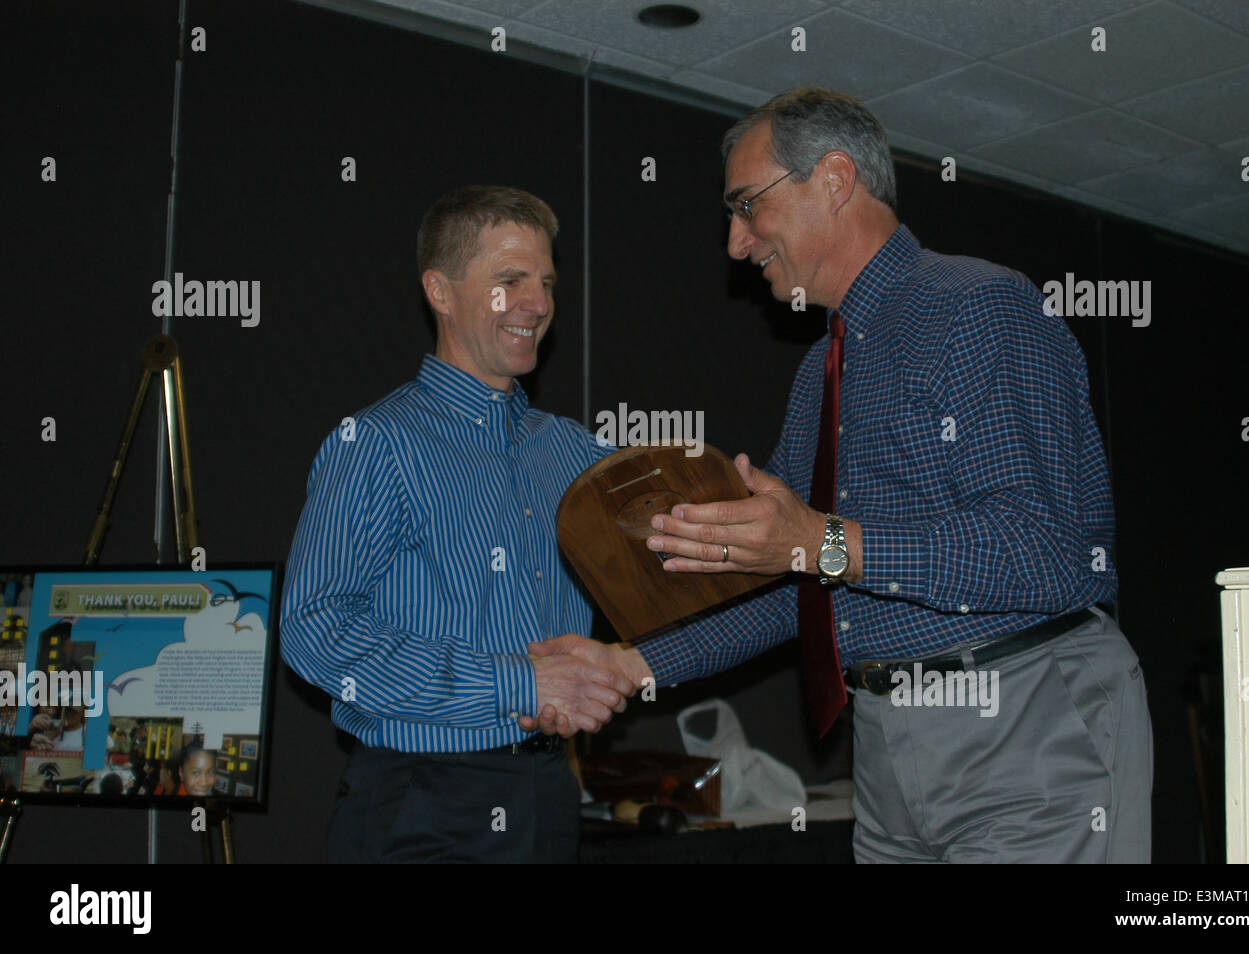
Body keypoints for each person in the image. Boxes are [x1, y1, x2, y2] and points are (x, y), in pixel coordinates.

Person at [525, 88, 1154, 863]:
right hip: (888, 751)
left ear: (833, 178)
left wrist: (822, 541)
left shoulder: (982, 308)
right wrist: (631, 664)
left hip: (1023, 724)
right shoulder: (820, 374)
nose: (735, 241)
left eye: (747, 205)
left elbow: (1049, 553)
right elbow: (799, 588)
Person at [280, 186, 635, 863]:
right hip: (424, 805)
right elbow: (314, 627)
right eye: (510, 281)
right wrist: (520, 685)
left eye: (546, 281)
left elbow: (663, 575)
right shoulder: (379, 444)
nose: (538, 303)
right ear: (439, 291)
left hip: (548, 790)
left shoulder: (571, 451)